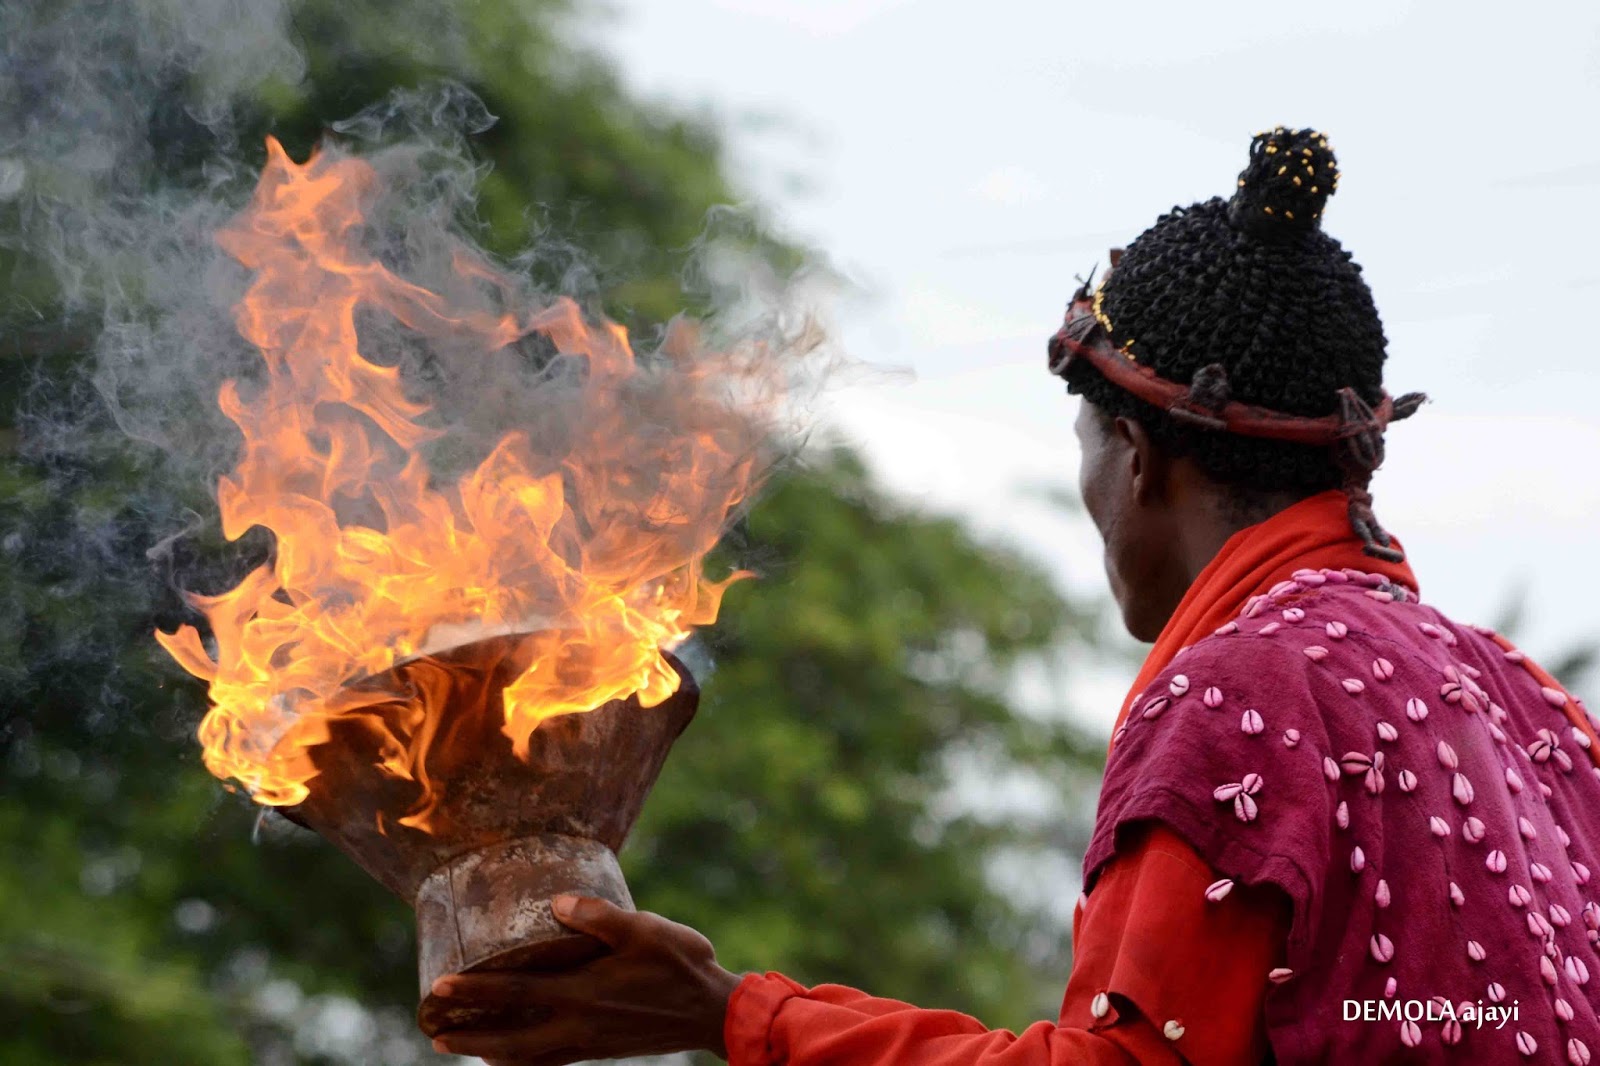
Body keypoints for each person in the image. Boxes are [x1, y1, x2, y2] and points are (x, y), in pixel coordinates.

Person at [427, 128, 1600, 1064]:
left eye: (1088, 445)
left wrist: (733, 1012)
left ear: (1139, 459)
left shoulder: (1242, 686)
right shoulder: (1531, 702)